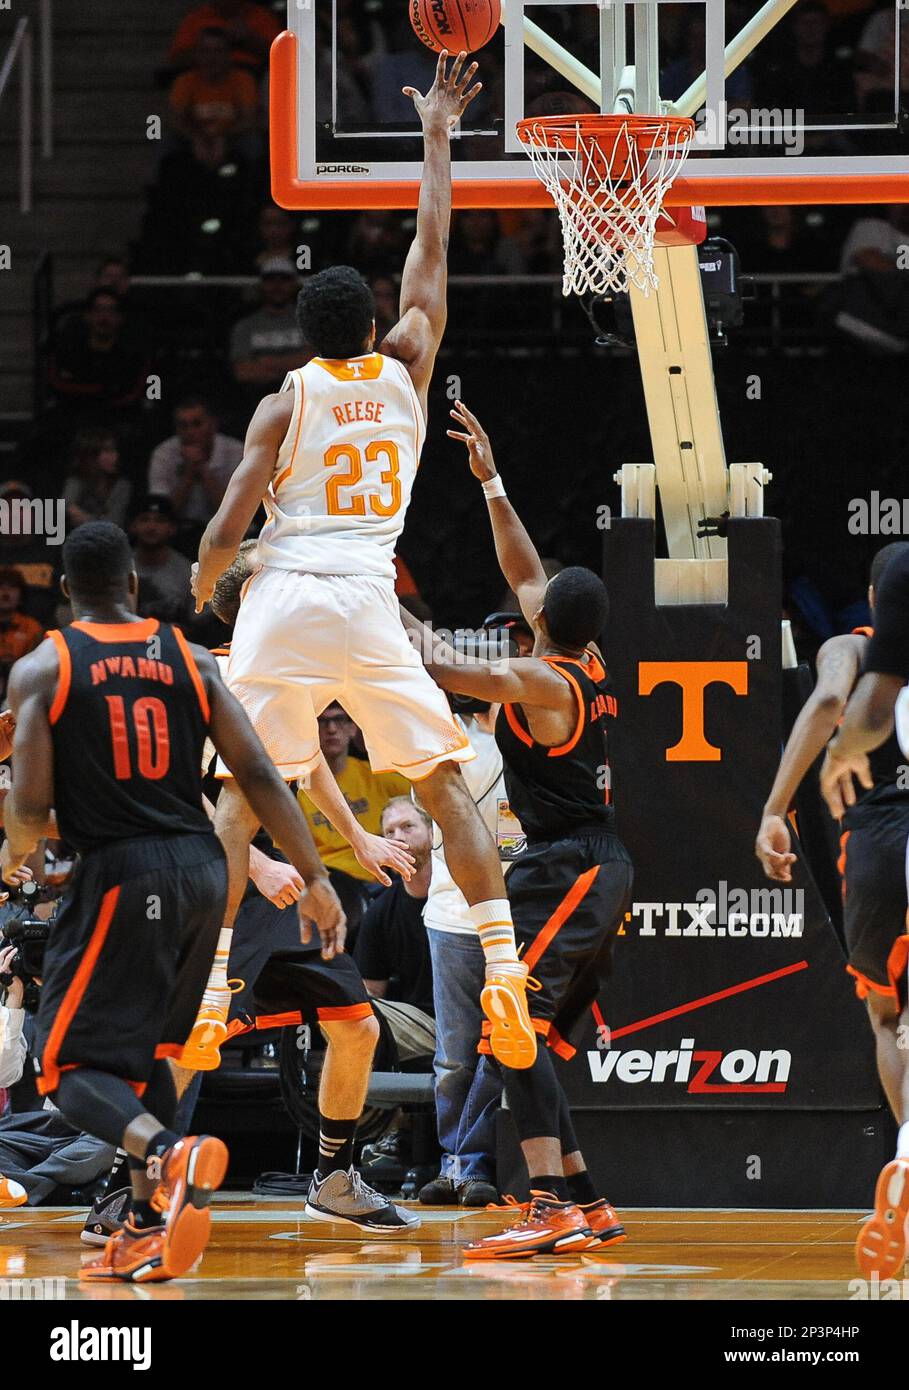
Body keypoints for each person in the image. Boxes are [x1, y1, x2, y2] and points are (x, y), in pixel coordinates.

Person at [192, 52, 540, 1072]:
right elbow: (432, 247)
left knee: (233, 797)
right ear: (376, 326)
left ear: (297, 337)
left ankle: (213, 985)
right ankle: (508, 975)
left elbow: (222, 525)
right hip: (369, 599)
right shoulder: (408, 369)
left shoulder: (280, 399)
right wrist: (437, 135)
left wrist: (215, 581)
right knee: (440, 786)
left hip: (285, 598)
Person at [0, 520, 348, 1283]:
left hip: (124, 873)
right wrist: (316, 877)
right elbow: (257, 771)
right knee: (155, 1051)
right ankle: (148, 1222)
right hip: (203, 869)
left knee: (66, 1065)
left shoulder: (44, 666)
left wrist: (16, 850)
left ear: (65, 595)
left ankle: (169, 1153)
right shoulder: (190, 659)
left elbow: (27, 808)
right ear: (133, 585)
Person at [404, 402, 630, 1258]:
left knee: (508, 1024)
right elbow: (528, 569)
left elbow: (442, 665)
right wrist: (491, 483)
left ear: (540, 619)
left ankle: (546, 1205)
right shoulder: (586, 655)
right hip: (594, 864)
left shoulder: (543, 680)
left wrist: (371, 603)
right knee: (521, 1033)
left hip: (569, 861)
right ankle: (585, 1199)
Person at [819, 542, 909, 1280]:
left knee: (887, 1016)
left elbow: (830, 707)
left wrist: (777, 804)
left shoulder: (853, 652)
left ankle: (905, 1158)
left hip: (879, 841)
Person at [418, 690, 517, 1209]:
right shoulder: (457, 744)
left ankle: (476, 1163)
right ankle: (454, 1163)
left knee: (499, 1047)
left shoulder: (534, 751)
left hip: (514, 918)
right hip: (452, 917)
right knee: (454, 1055)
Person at [296, 703, 409, 938]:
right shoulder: (298, 786)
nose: (332, 729)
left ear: (353, 728)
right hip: (326, 883)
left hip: (380, 883)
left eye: (340, 720)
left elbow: (424, 804)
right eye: (322, 722)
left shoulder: (376, 776)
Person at [147, 397, 244, 545]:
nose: (190, 431)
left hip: (226, 532)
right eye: (183, 425)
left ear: (213, 424)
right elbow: (162, 513)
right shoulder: (163, 453)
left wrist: (203, 468)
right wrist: (189, 474)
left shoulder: (236, 451)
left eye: (197, 424)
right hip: (178, 533)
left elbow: (235, 513)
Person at [230, 258, 309, 404]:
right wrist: (291, 365)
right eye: (271, 279)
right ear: (261, 285)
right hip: (255, 401)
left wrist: (266, 362)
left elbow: (312, 364)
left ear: (295, 284)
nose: (277, 286)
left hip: (302, 399)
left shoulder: (308, 322)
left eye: (284, 279)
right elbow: (242, 372)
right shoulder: (245, 326)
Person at [129, 495, 194, 625]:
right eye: (144, 519)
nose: (151, 527)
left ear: (172, 528)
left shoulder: (189, 572)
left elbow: (197, 623)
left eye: (160, 520)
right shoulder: (119, 568)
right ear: (133, 526)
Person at [63, 427, 132, 531]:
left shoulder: (122, 485)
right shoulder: (76, 481)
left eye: (114, 450)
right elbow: (66, 506)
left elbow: (114, 526)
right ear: (90, 455)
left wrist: (83, 518)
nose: (115, 456)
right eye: (108, 451)